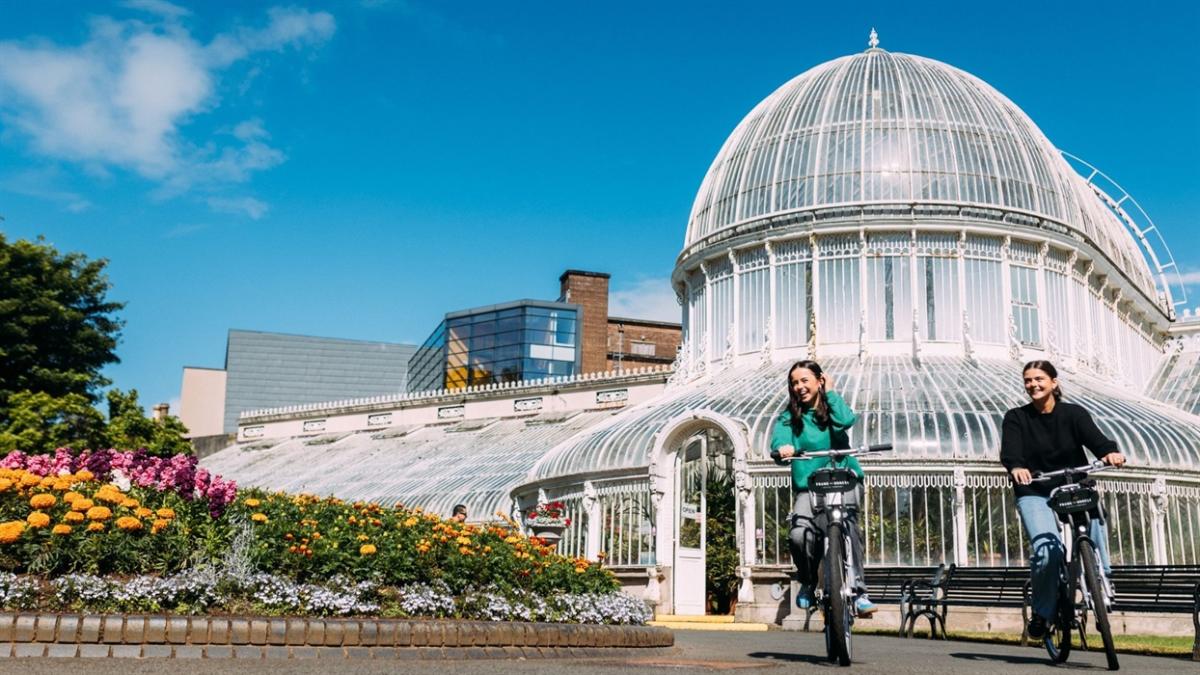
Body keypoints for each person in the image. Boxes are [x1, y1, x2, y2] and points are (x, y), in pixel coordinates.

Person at [1000, 360, 1126, 640]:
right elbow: (1011, 451)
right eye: (1028, 380)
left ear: (1054, 382)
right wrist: (1017, 467)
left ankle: (1103, 580)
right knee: (1047, 551)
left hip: (1073, 486)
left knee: (1093, 521)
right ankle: (1042, 613)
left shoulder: (1074, 414)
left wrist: (1109, 453)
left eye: (1039, 379)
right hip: (1035, 490)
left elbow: (1097, 439)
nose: (1033, 384)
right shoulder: (1016, 417)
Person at [769, 360, 876, 616]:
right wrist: (783, 449)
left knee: (849, 529)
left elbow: (847, 420)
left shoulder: (832, 407)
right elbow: (779, 442)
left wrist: (830, 392)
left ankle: (859, 592)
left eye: (805, 380)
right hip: (809, 485)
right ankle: (808, 581)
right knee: (798, 534)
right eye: (794, 382)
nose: (799, 387)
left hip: (842, 478)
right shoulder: (789, 417)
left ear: (819, 380)